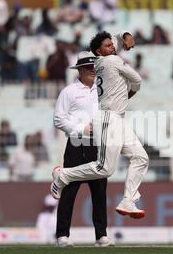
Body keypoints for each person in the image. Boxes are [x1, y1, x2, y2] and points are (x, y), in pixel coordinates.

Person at [51, 31, 149, 220]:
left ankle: (128, 200)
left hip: (119, 119)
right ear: (99, 51)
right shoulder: (111, 61)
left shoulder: (104, 60)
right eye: (108, 46)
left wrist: (124, 36)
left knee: (141, 157)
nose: (112, 46)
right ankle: (62, 176)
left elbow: (113, 40)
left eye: (112, 45)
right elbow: (137, 79)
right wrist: (132, 92)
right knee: (105, 169)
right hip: (108, 119)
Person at [53, 51, 113, 247]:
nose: (92, 71)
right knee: (69, 190)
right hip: (77, 145)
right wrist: (80, 129)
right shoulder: (69, 92)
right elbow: (58, 119)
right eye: (88, 68)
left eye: (94, 68)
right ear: (79, 70)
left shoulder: (102, 90)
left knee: (99, 192)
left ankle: (101, 236)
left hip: (98, 145)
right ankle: (62, 236)